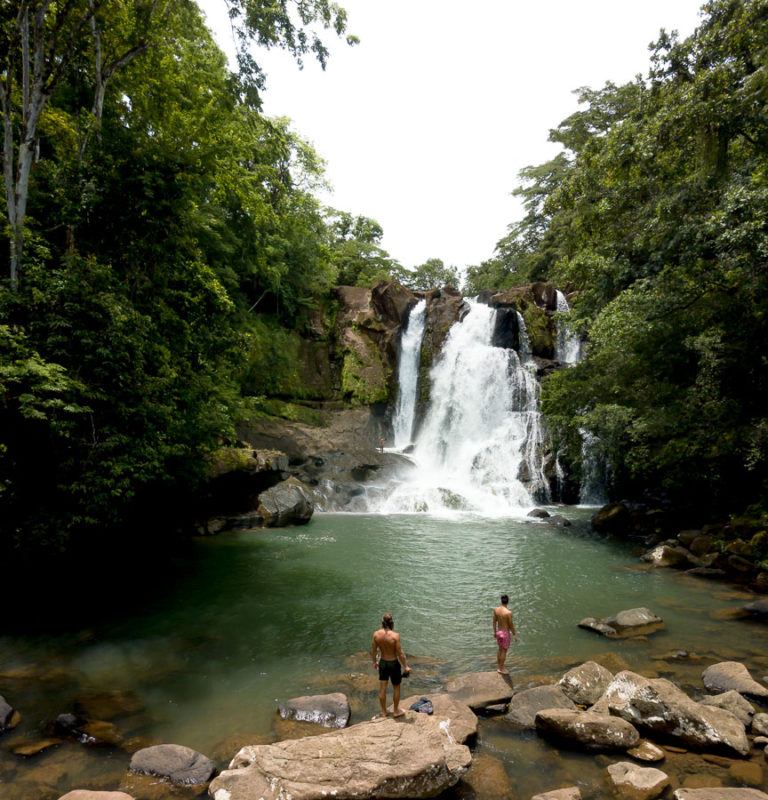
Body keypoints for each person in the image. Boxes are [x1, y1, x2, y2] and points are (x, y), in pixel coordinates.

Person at [371, 612, 411, 717]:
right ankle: (395, 711)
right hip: (393, 664)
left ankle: (384, 712)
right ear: (392, 623)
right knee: (396, 687)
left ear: (382, 622)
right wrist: (405, 666)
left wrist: (374, 662)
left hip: (383, 663)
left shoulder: (376, 634)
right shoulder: (395, 636)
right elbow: (400, 653)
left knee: (382, 688)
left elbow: (374, 651)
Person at [492, 594, 517, 675]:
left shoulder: (496, 610)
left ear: (501, 601)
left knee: (500, 649)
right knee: (504, 651)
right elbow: (511, 625)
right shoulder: (508, 613)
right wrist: (515, 634)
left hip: (499, 632)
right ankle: (501, 669)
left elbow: (494, 621)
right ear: (508, 601)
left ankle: (499, 666)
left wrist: (494, 632)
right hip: (505, 633)